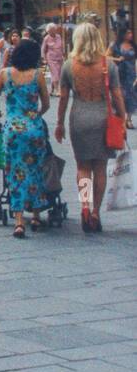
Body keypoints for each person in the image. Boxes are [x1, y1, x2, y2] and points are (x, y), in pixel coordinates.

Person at [57, 22, 127, 234]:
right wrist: (122, 120)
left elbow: (63, 98)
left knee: (82, 167)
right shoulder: (108, 65)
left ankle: (85, 206)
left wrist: (59, 123)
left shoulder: (68, 65)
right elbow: (117, 95)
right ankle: (96, 212)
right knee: (100, 168)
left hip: (79, 117)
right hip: (102, 118)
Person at [0, 37, 52, 238]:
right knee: (36, 170)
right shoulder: (38, 75)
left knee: (15, 173)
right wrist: (36, 115)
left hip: (13, 130)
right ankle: (36, 216)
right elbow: (46, 103)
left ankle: (18, 222)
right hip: (33, 128)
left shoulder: (5, 74)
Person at [107, 27, 136, 128]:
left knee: (131, 96)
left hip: (131, 74)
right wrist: (117, 59)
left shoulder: (133, 45)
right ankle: (119, 117)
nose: (130, 35)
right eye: (128, 33)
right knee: (119, 96)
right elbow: (106, 56)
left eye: (131, 33)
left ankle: (129, 119)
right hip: (119, 73)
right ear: (123, 34)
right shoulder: (115, 45)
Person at [43, 23, 67, 97]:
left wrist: (64, 55)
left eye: (53, 30)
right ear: (48, 31)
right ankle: (57, 90)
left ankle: (52, 90)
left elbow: (62, 46)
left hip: (59, 58)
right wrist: (44, 59)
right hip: (50, 58)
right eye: (50, 31)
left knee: (58, 74)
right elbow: (43, 49)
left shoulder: (59, 36)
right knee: (55, 74)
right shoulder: (46, 38)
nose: (52, 32)